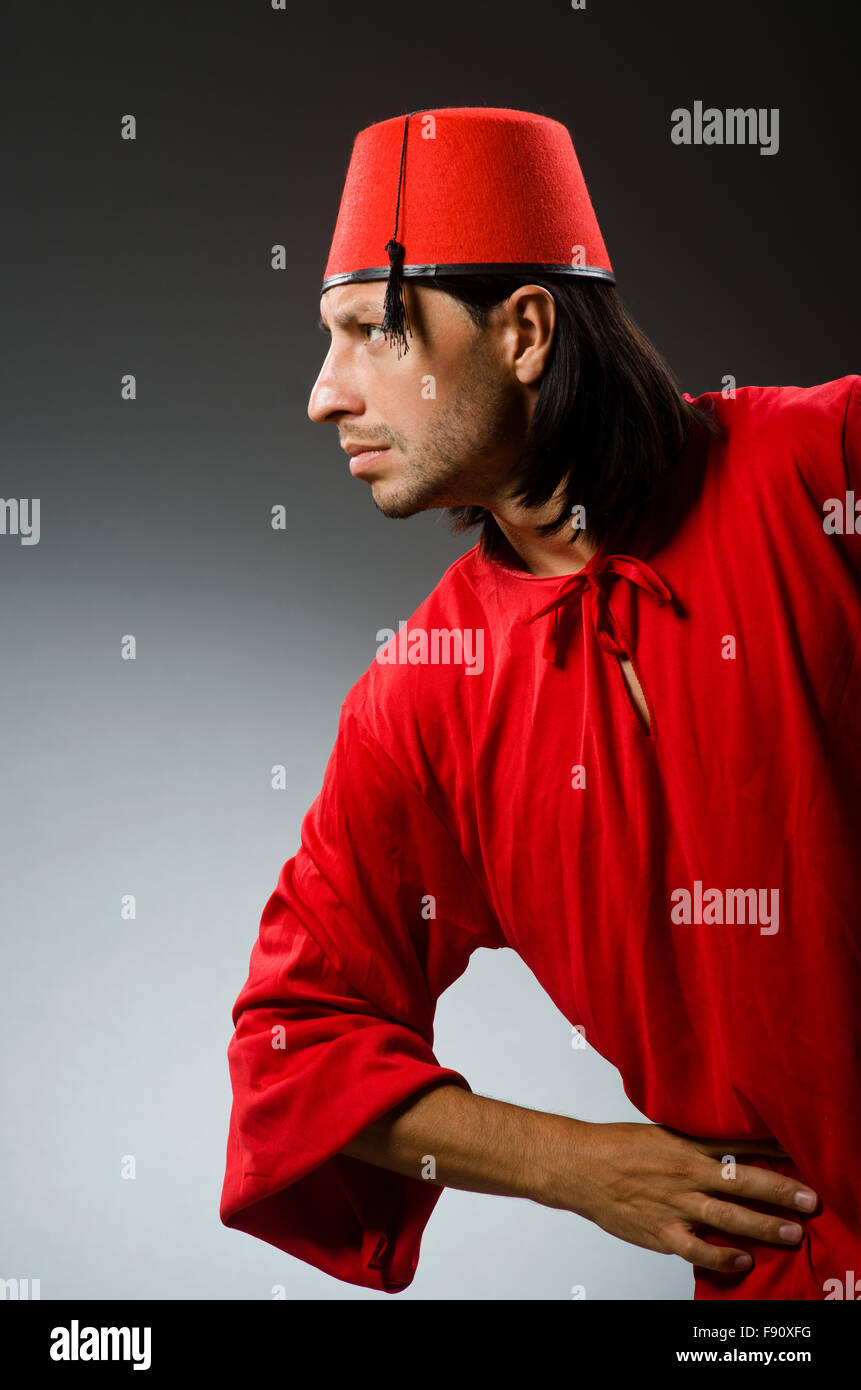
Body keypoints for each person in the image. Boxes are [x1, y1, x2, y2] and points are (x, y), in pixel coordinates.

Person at [219, 106, 861, 1299]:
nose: (324, 394)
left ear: (523, 330)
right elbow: (290, 1043)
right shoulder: (419, 700)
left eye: (371, 331)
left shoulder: (832, 470)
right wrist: (578, 1166)